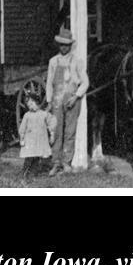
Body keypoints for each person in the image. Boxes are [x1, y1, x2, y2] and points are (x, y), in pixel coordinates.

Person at [44, 26, 89, 175]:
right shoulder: (53, 61)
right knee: (56, 131)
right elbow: (49, 83)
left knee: (70, 132)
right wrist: (49, 101)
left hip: (72, 101)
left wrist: (76, 96)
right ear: (58, 45)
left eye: (66, 45)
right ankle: (55, 162)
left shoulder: (77, 61)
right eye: (61, 44)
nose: (64, 47)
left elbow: (85, 82)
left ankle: (66, 162)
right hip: (57, 100)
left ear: (70, 45)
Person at [17, 96, 52, 176]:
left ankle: (32, 173)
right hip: (30, 140)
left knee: (37, 156)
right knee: (29, 157)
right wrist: (22, 137)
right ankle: (24, 172)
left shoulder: (44, 114)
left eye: (32, 104)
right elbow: (22, 127)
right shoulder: (27, 115)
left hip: (40, 140)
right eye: (29, 105)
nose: (31, 107)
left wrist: (52, 133)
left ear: (38, 103)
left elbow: (51, 123)